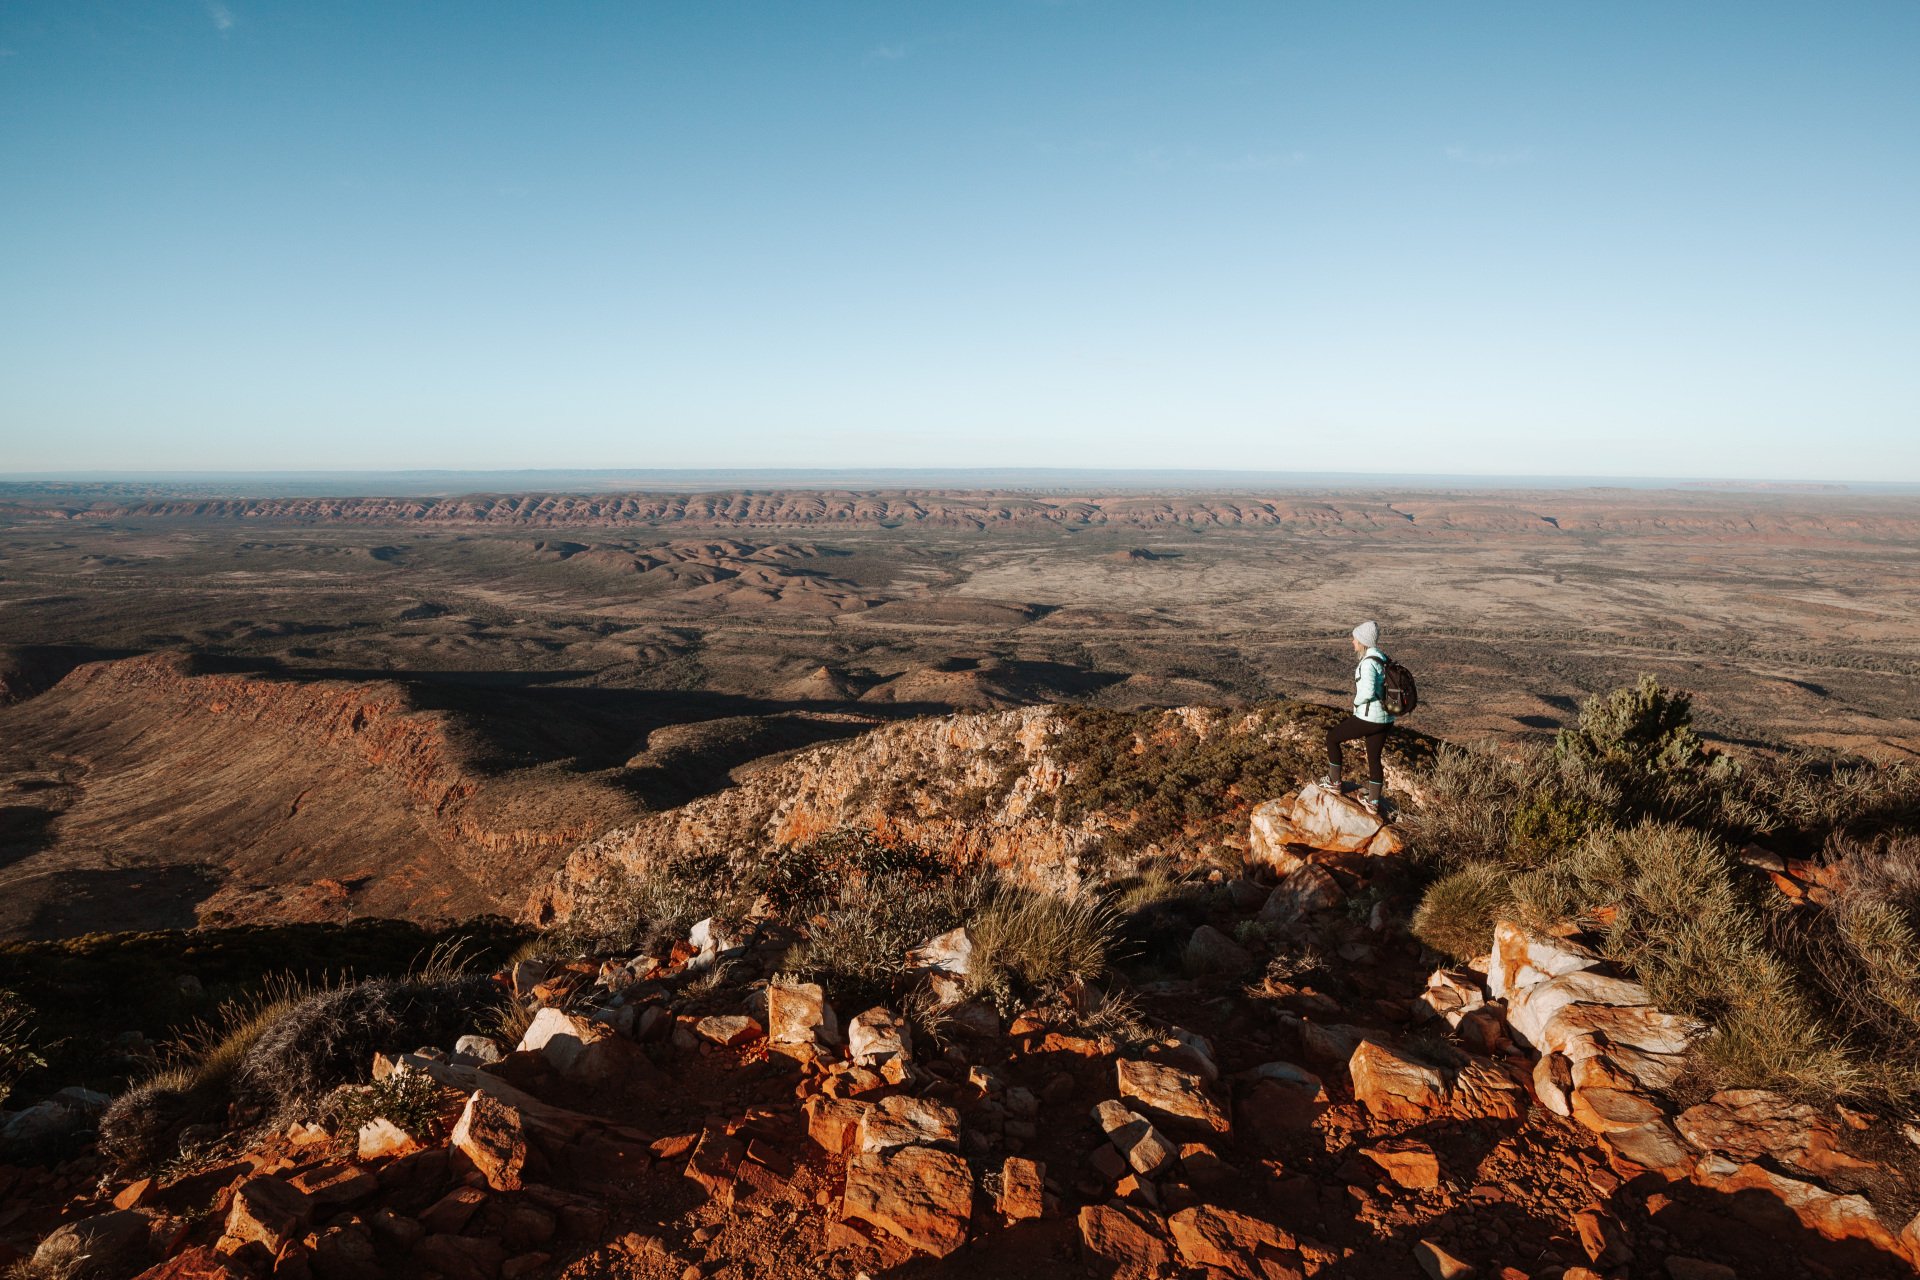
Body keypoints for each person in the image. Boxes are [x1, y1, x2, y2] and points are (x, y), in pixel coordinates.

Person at [1324, 620, 1393, 813]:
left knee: (1332, 738)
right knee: (1374, 758)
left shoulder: (1369, 662)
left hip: (1369, 717)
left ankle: (1334, 782)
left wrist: (1356, 703)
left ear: (1363, 641)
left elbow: (1368, 691)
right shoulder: (1382, 658)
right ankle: (1373, 802)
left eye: (1355, 639)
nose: (1352, 642)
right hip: (1386, 719)